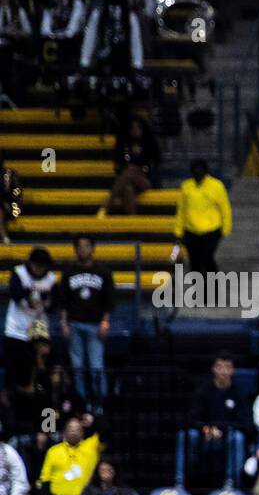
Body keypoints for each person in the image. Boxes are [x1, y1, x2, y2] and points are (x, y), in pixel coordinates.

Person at [58, 235, 113, 411]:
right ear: (75, 250)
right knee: (78, 367)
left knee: (96, 365)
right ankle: (82, 403)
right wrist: (64, 323)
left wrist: (105, 322)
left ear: (92, 248)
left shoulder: (103, 272)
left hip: (96, 324)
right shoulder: (68, 272)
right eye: (80, 246)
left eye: (86, 246)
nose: (83, 250)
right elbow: (64, 300)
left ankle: (100, 402)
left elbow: (109, 300)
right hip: (74, 324)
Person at [182, 351, 250, 485]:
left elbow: (245, 422)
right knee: (187, 435)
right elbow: (193, 418)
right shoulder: (203, 391)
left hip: (229, 435)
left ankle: (232, 482)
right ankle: (183, 480)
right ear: (213, 369)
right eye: (220, 367)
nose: (223, 371)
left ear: (232, 370)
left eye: (227, 367)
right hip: (205, 435)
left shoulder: (239, 393)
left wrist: (224, 430)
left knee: (237, 437)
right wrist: (206, 429)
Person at [5, 246, 56, 390]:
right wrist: (28, 299)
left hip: (38, 329)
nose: (39, 269)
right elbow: (15, 294)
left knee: (37, 366)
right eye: (37, 265)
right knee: (14, 367)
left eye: (43, 265)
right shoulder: (19, 273)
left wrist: (47, 304)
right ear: (31, 263)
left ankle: (37, 396)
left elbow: (54, 304)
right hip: (16, 328)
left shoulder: (51, 278)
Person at [172, 158, 231, 276]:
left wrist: (225, 229)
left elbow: (225, 209)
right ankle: (199, 291)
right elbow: (182, 210)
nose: (197, 173)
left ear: (205, 171)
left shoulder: (216, 186)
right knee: (194, 263)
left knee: (207, 259)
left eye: (199, 170)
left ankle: (213, 288)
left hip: (211, 230)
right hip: (191, 231)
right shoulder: (186, 187)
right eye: (194, 171)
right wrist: (178, 232)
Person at [106, 114, 158, 215]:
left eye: (138, 128)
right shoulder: (124, 145)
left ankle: (108, 205)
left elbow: (155, 162)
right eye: (132, 128)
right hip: (127, 180)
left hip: (144, 179)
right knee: (128, 189)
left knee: (131, 170)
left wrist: (138, 167)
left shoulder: (148, 144)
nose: (135, 130)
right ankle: (132, 223)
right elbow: (117, 166)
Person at [0, 148, 21, 243]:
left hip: (7, 205)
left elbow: (17, 192)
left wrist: (12, 206)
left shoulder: (10, 174)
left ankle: (3, 233)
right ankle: (2, 233)